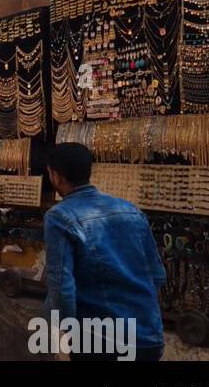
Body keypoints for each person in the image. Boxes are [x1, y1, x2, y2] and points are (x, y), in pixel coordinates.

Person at [44, 143, 166, 362]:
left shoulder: (59, 216)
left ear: (56, 176)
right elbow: (156, 276)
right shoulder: (131, 210)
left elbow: (62, 286)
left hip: (100, 340)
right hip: (147, 338)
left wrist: (61, 343)